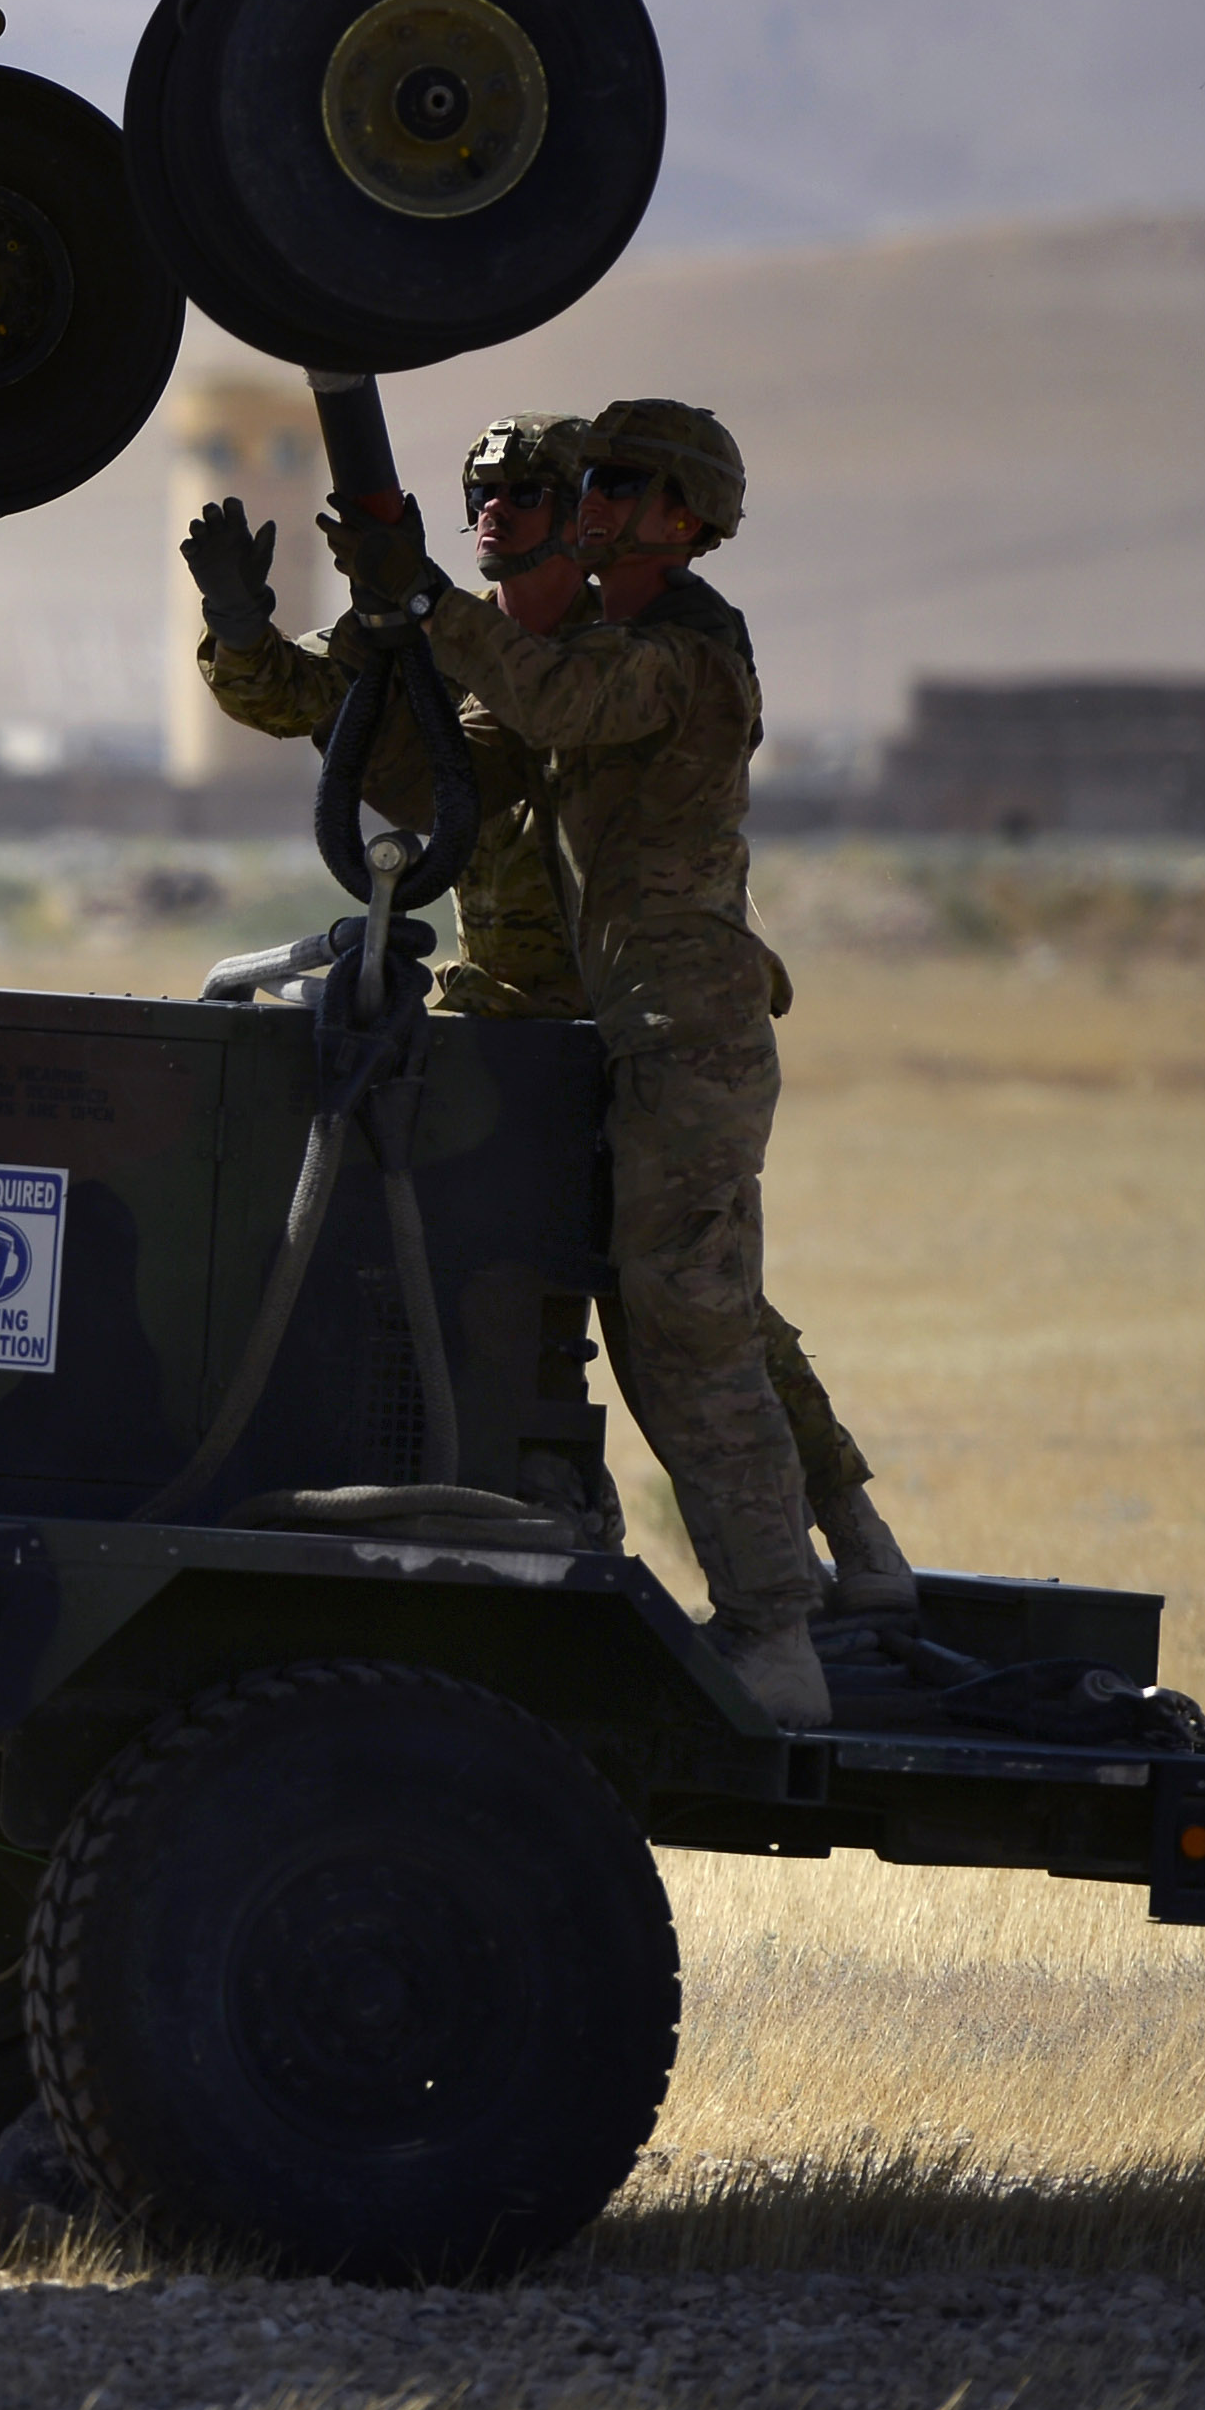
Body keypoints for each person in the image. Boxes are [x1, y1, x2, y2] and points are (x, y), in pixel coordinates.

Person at [186, 421, 921, 1616]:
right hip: (519, 1017)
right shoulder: (495, 657)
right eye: (486, 491)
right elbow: (391, 751)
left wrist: (421, 604)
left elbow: (549, 703)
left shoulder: (626, 656)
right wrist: (258, 632)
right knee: (501, 1285)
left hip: (640, 1023)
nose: (505, 511)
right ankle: (561, 1517)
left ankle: (836, 1522)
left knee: (686, 1302)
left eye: (537, 492)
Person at [315, 400, 849, 1723]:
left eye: (621, 481)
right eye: (587, 477)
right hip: (635, 1036)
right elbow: (452, 764)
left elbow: (544, 691)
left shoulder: (679, 656)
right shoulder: (618, 644)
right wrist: (375, 627)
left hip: (685, 1036)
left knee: (686, 1331)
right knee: (648, 1318)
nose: (589, 497)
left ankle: (775, 1637)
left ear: (681, 517)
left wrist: (434, 597)